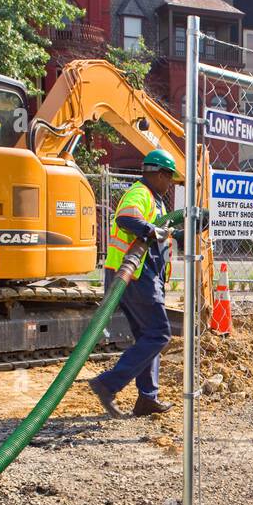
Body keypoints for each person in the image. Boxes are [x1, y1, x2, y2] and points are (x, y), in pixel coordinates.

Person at [87, 149, 181, 418]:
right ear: (159, 174)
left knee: (147, 336)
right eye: (170, 177)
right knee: (159, 334)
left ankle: (147, 398)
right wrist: (152, 230)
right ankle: (108, 383)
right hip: (135, 276)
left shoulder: (157, 202)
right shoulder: (140, 193)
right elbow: (126, 219)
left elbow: (163, 236)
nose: (171, 183)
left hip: (141, 277)